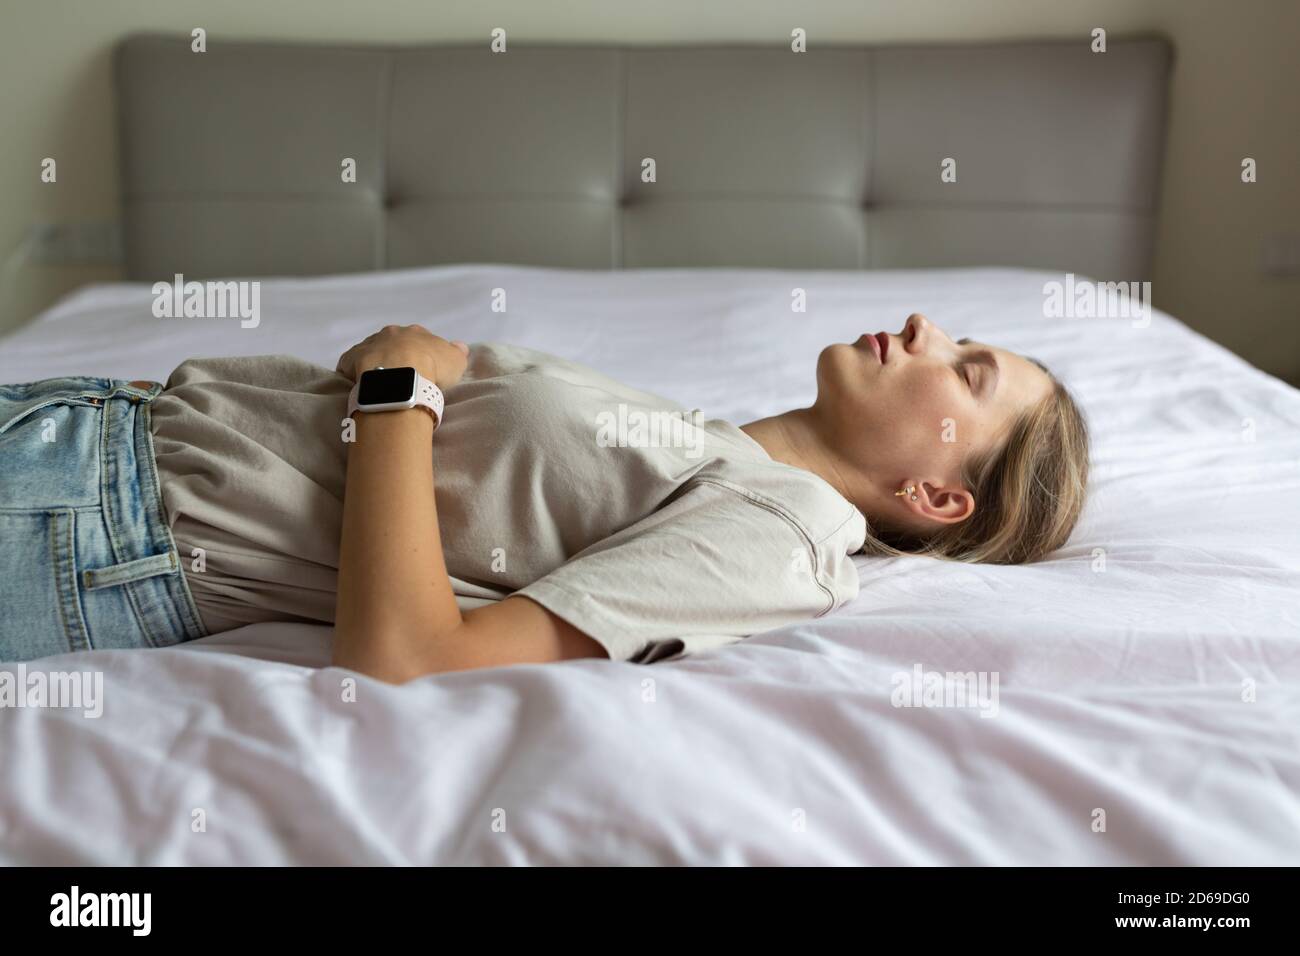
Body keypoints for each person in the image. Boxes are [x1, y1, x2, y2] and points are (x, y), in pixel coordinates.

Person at [0, 313, 1089, 679]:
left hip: (93, 519)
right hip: (79, 433)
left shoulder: (786, 535)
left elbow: (410, 655)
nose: (923, 331)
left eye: (967, 369)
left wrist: (398, 389)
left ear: (939, 496)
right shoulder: (710, 445)